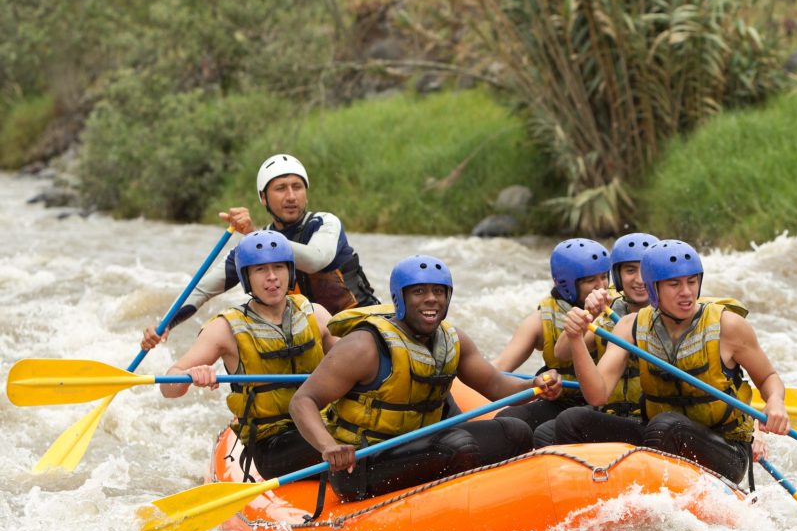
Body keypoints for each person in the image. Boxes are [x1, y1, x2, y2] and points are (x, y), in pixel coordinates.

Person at [289, 255, 562, 502]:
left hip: (422, 449)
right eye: (419, 292)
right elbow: (303, 400)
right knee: (459, 446)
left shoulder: (453, 340)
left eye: (438, 291)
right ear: (400, 298)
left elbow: (496, 385)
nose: (431, 299)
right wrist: (329, 447)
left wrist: (534, 386)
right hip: (360, 466)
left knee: (516, 432)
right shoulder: (364, 346)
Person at [555, 239, 790, 485]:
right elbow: (597, 395)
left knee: (665, 426)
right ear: (654, 289)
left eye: (691, 281)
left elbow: (768, 378)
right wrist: (575, 339)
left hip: (724, 449)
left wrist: (775, 402)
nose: (686, 292)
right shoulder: (631, 325)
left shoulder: (727, 326)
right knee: (572, 421)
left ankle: (647, 492)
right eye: (674, 284)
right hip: (660, 439)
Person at [141, 152, 378, 348]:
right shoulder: (250, 247)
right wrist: (165, 325)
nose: (291, 196)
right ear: (263, 198)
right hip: (311, 343)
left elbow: (315, 260)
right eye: (281, 188)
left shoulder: (325, 223)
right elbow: (202, 289)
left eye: (297, 187)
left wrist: (255, 234)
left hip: (361, 328)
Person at [155, 230, 337, 480]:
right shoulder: (224, 329)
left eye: (278, 267)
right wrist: (189, 375)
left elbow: (355, 369)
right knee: (351, 439)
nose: (272, 277)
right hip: (273, 445)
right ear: (247, 277)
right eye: (261, 270)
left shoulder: (316, 315)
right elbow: (169, 386)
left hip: (323, 424)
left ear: (290, 271)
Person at [532, 232, 659, 446]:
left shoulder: (670, 314)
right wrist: (590, 313)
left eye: (644, 271)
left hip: (652, 421)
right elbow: (561, 353)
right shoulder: (609, 311)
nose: (639, 279)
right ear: (617, 276)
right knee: (545, 433)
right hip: (613, 414)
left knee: (570, 420)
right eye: (630, 270)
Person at [491, 238, 611, 435]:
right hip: (561, 401)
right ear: (567, 284)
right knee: (507, 419)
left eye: (604, 277)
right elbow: (500, 368)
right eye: (591, 280)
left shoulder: (615, 308)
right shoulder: (541, 320)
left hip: (604, 403)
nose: (601, 287)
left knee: (558, 427)